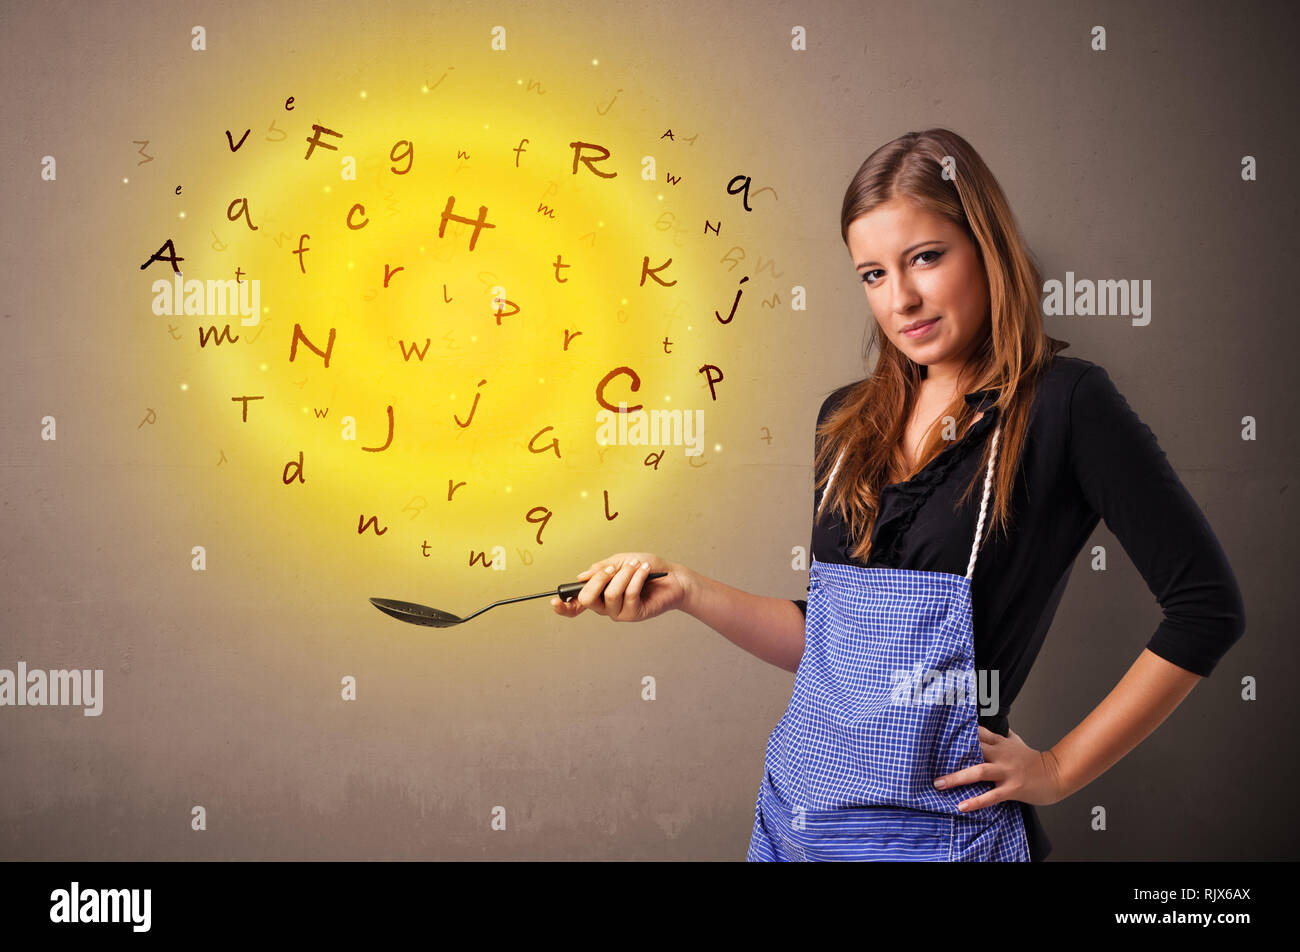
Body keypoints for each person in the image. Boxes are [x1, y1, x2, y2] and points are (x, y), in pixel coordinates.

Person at [549, 128, 1246, 861]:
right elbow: (834, 645)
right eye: (873, 275)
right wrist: (686, 589)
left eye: (926, 258)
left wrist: (1058, 769)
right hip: (801, 821)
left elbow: (1207, 608)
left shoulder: (1064, 406)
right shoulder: (844, 421)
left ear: (987, 245)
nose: (902, 298)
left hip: (943, 836)